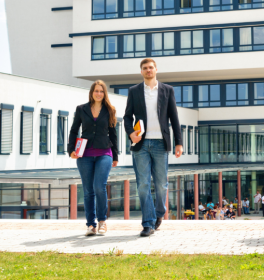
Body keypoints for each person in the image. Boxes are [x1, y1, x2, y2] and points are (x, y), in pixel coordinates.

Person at [124, 58, 183, 238]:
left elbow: (174, 117)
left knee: (161, 184)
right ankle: (147, 223)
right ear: (141, 72)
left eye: (151, 67)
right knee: (143, 184)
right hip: (141, 144)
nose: (148, 70)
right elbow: (127, 117)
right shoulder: (134, 91)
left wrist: (179, 143)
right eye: (145, 68)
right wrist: (130, 133)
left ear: (156, 69)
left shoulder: (167, 90)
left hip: (160, 143)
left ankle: (159, 213)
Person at [69, 80, 120, 236]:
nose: (99, 93)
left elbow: (113, 134)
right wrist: (71, 150)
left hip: (104, 153)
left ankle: (102, 221)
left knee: (99, 186)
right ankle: (91, 225)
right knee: (88, 190)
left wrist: (116, 155)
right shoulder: (81, 109)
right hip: (84, 154)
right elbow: (73, 130)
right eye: (96, 91)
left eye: (101, 91)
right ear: (91, 92)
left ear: (104, 94)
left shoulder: (110, 110)